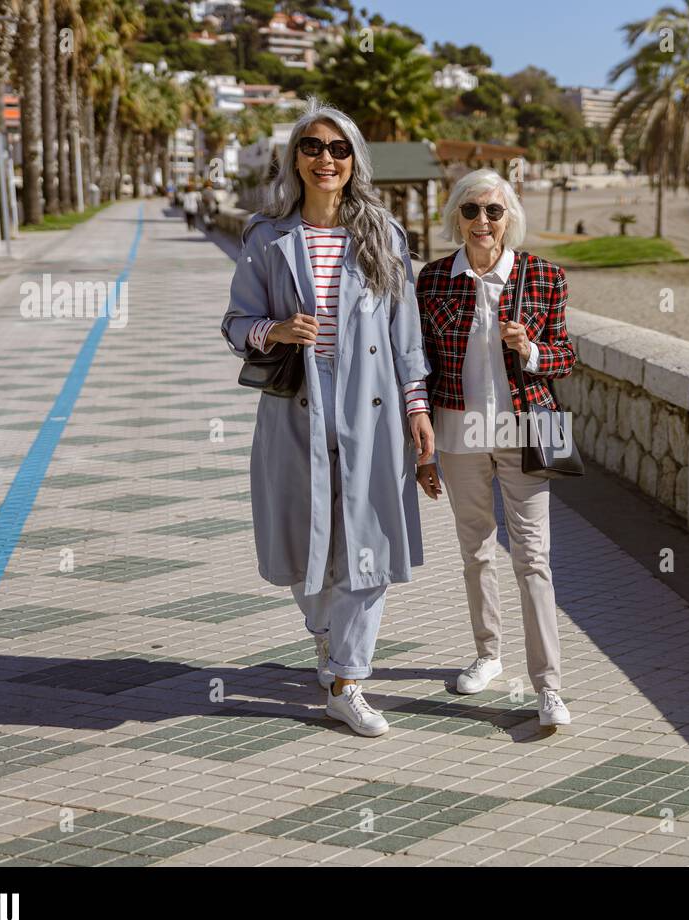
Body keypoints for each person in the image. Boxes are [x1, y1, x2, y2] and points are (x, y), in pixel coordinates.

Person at [221, 97, 434, 736]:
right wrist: (276, 329)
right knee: (303, 542)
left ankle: (348, 680)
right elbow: (234, 325)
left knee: (370, 544)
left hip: (372, 414)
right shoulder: (267, 236)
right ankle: (324, 633)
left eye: (339, 149)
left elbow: (406, 334)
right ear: (295, 158)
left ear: (354, 160)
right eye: (312, 147)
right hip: (296, 413)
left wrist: (417, 410)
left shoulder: (383, 234)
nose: (326, 159)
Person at [414, 169, 578, 728]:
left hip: (525, 431)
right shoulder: (434, 280)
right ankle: (488, 655)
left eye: (494, 211)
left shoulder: (544, 277)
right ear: (455, 216)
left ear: (510, 218)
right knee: (476, 549)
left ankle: (549, 689)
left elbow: (566, 357)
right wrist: (423, 450)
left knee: (533, 558)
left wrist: (531, 350)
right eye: (471, 210)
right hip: (458, 434)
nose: (482, 221)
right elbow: (419, 365)